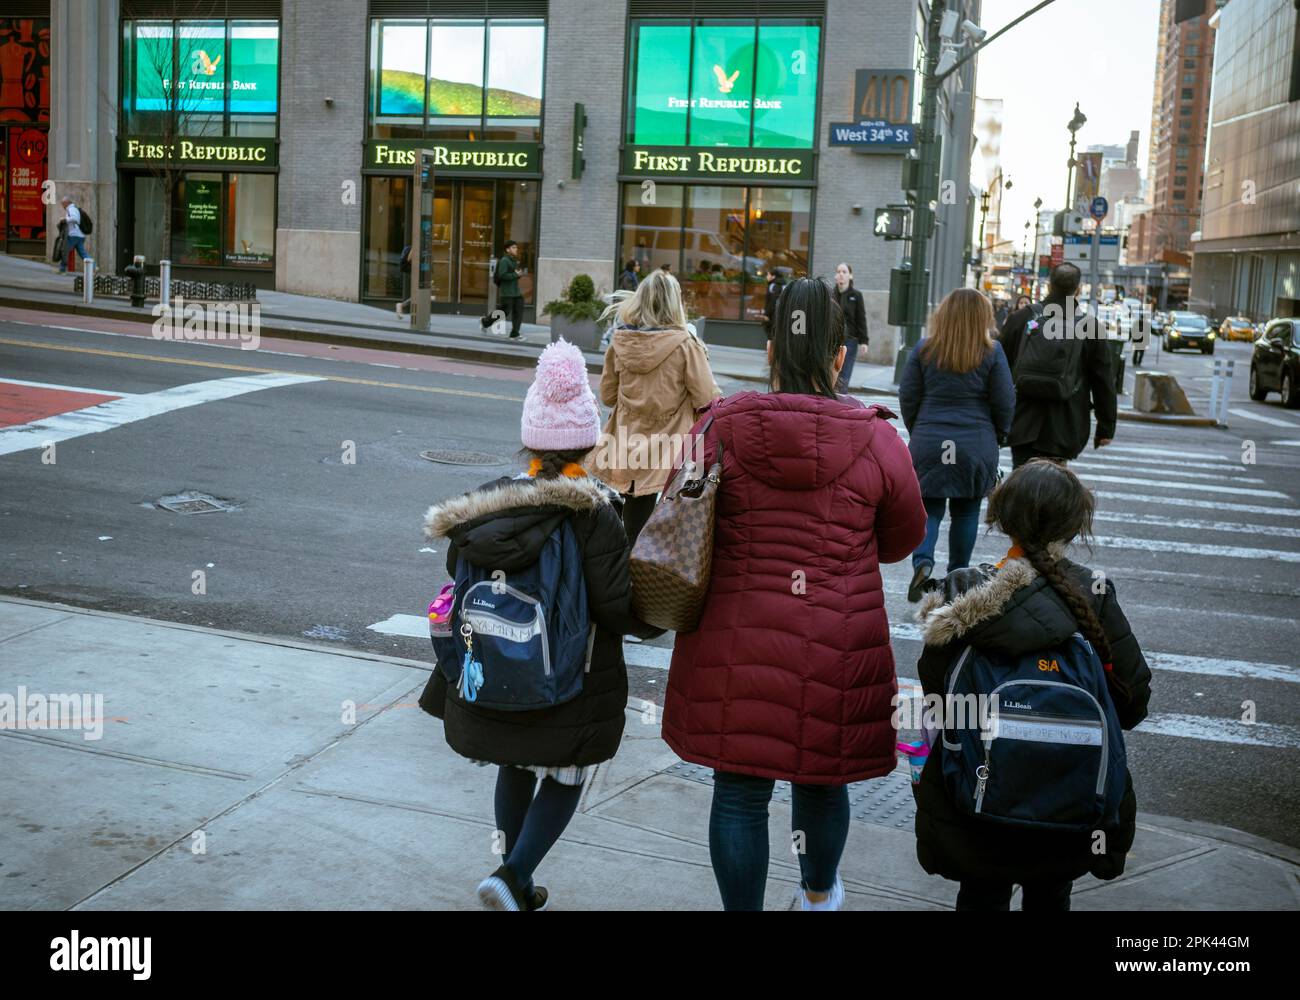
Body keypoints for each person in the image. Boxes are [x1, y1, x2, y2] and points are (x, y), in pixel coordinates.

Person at [662, 277, 928, 911]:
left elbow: (681, 518)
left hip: (736, 638)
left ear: (773, 352)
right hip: (834, 641)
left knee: (739, 791)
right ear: (839, 355)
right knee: (821, 780)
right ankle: (816, 895)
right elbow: (902, 538)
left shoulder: (721, 426)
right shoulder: (876, 438)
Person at [420, 339, 657, 911]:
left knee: (514, 764)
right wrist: (658, 617)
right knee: (565, 773)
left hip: (495, 674)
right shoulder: (594, 512)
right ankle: (511, 875)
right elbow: (615, 606)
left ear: (530, 438)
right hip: (568, 681)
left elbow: (460, 577)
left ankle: (518, 886)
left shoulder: (485, 506)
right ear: (588, 438)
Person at [912, 460, 1152, 910]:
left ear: (1001, 518)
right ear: (1075, 524)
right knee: (1051, 894)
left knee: (981, 894)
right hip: (1071, 802)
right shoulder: (1094, 593)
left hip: (979, 805)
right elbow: (1133, 702)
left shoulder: (964, 591)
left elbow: (937, 697)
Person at [899, 288, 1015, 602]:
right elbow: (1004, 401)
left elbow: (908, 396)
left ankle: (923, 562)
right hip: (974, 442)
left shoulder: (924, 349)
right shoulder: (992, 352)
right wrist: (998, 436)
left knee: (930, 510)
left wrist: (918, 430)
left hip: (931, 440)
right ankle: (957, 575)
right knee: (965, 513)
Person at [589, 268, 720, 543]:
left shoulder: (620, 341)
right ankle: (650, 572)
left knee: (633, 512)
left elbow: (608, 396)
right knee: (669, 519)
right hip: (671, 447)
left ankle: (626, 565)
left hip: (627, 443)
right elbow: (707, 399)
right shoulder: (686, 345)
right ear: (675, 303)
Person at [999, 263, 1116, 468]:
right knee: (1054, 490)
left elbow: (998, 369)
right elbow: (1103, 380)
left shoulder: (1021, 318)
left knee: (1021, 485)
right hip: (1065, 424)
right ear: (1077, 289)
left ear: (1049, 286)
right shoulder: (1090, 327)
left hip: (1023, 420)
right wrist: (1105, 428)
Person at [832, 262, 868, 393]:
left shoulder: (856, 295)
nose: (841, 274)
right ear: (836, 276)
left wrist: (864, 341)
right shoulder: (831, 294)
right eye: (838, 271)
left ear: (850, 276)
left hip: (850, 340)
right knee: (832, 375)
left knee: (844, 376)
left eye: (844, 272)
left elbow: (861, 318)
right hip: (833, 340)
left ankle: (840, 404)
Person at [485, 239, 524, 338]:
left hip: (516, 292)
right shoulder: (504, 261)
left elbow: (514, 274)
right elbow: (502, 275)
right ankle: (485, 322)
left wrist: (518, 274)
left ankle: (515, 333)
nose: (516, 249)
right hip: (507, 293)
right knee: (503, 313)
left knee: (518, 312)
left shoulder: (514, 260)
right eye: (513, 247)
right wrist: (515, 274)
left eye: (516, 247)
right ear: (507, 250)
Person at [58, 197, 87, 275]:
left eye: (62, 204)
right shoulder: (74, 209)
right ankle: (94, 267)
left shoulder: (71, 209)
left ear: (66, 203)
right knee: (83, 253)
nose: (62, 206)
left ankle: (62, 270)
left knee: (64, 251)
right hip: (80, 235)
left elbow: (75, 219)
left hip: (74, 235)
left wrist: (64, 219)